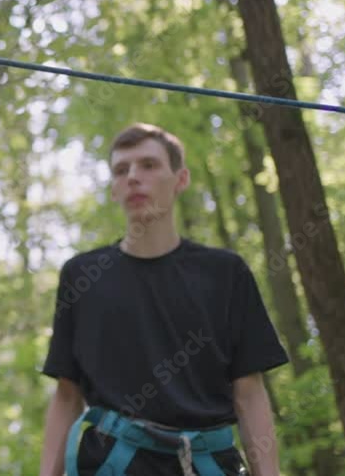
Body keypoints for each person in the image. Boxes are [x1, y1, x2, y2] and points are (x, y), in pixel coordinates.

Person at [39, 123, 289, 476]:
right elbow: (67, 395)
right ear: (113, 189)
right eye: (121, 170)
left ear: (180, 179)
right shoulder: (81, 276)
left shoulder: (225, 273)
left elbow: (248, 394)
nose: (133, 177)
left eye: (149, 165)